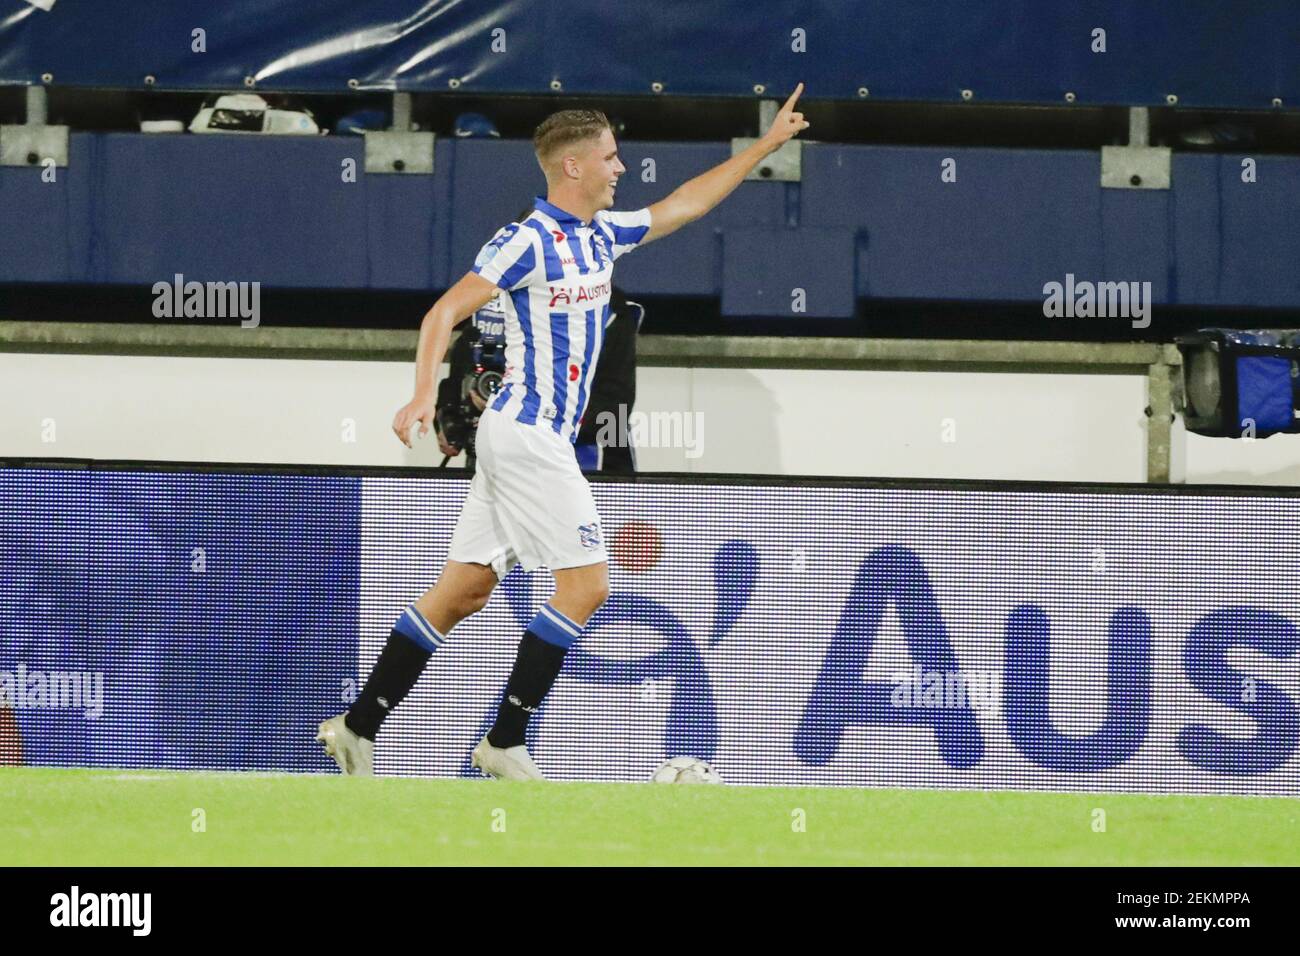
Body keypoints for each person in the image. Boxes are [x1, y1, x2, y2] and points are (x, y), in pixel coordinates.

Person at [317, 84, 809, 779]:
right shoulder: (526, 241)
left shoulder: (603, 236)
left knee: (461, 592)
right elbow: (442, 314)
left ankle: (358, 726)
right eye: (610, 157)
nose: (620, 169)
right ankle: (506, 740)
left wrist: (763, 146)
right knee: (587, 587)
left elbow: (686, 204)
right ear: (573, 167)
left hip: (519, 439)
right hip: (526, 435)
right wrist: (423, 394)